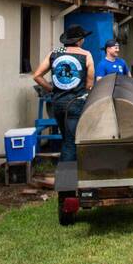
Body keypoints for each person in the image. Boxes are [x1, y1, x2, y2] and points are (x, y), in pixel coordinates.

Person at [31, 25, 95, 162]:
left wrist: (51, 89)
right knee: (71, 141)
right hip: (76, 103)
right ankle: (66, 178)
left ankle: (73, 172)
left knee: (66, 138)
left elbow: (37, 76)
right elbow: (90, 85)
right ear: (79, 41)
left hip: (57, 103)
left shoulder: (54, 53)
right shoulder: (86, 55)